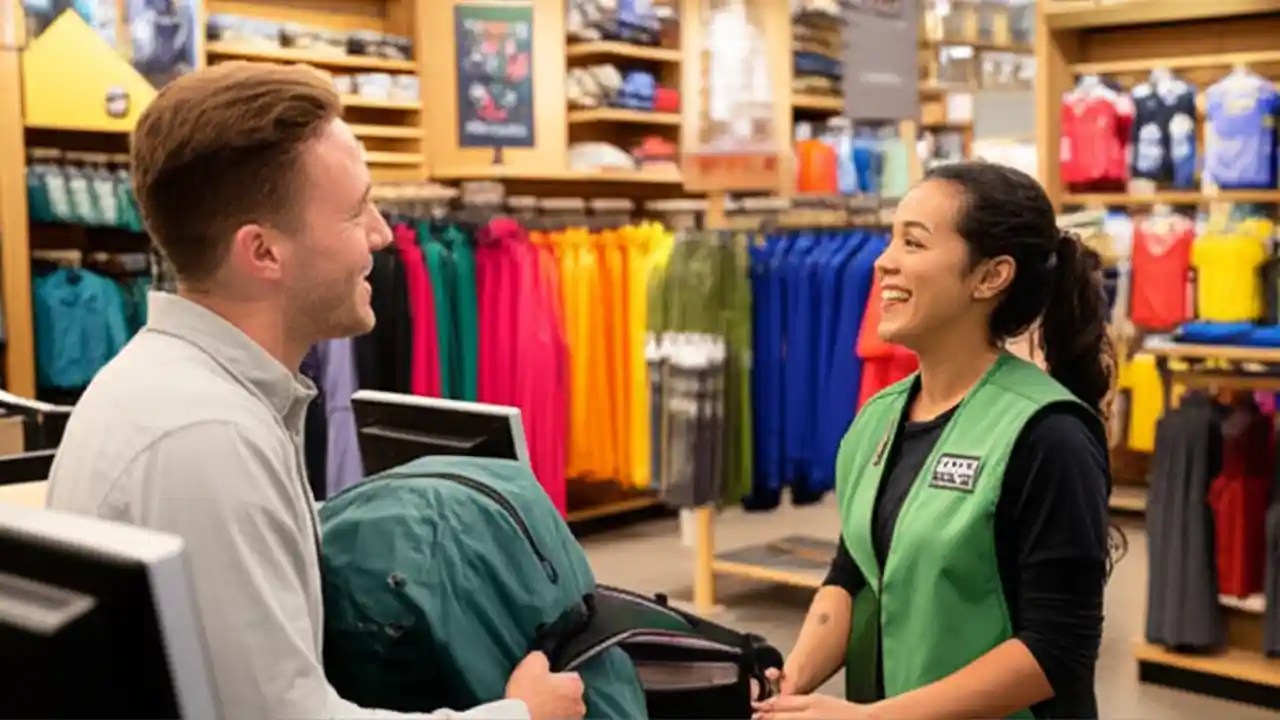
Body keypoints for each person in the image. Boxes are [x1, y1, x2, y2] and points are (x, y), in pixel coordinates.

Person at [44, 61, 585, 720]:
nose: (383, 235)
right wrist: (522, 716)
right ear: (264, 253)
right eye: (357, 210)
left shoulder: (176, 392)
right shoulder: (207, 439)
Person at [753, 162, 1114, 720]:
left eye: (913, 243)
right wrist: (792, 679)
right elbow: (853, 574)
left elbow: (1056, 649)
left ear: (990, 277)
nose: (882, 262)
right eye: (890, 239)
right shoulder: (877, 418)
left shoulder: (1048, 435)